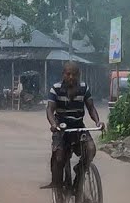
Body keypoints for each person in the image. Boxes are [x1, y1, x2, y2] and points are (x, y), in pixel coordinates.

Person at [40, 62, 103, 190]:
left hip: (79, 126)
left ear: (78, 75)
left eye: (74, 74)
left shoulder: (84, 88)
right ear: (63, 75)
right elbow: (50, 110)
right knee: (59, 156)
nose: (71, 77)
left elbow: (91, 107)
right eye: (68, 74)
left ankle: (79, 171)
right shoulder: (55, 89)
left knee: (91, 150)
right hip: (61, 128)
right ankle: (58, 189)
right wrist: (53, 124)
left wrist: (98, 122)